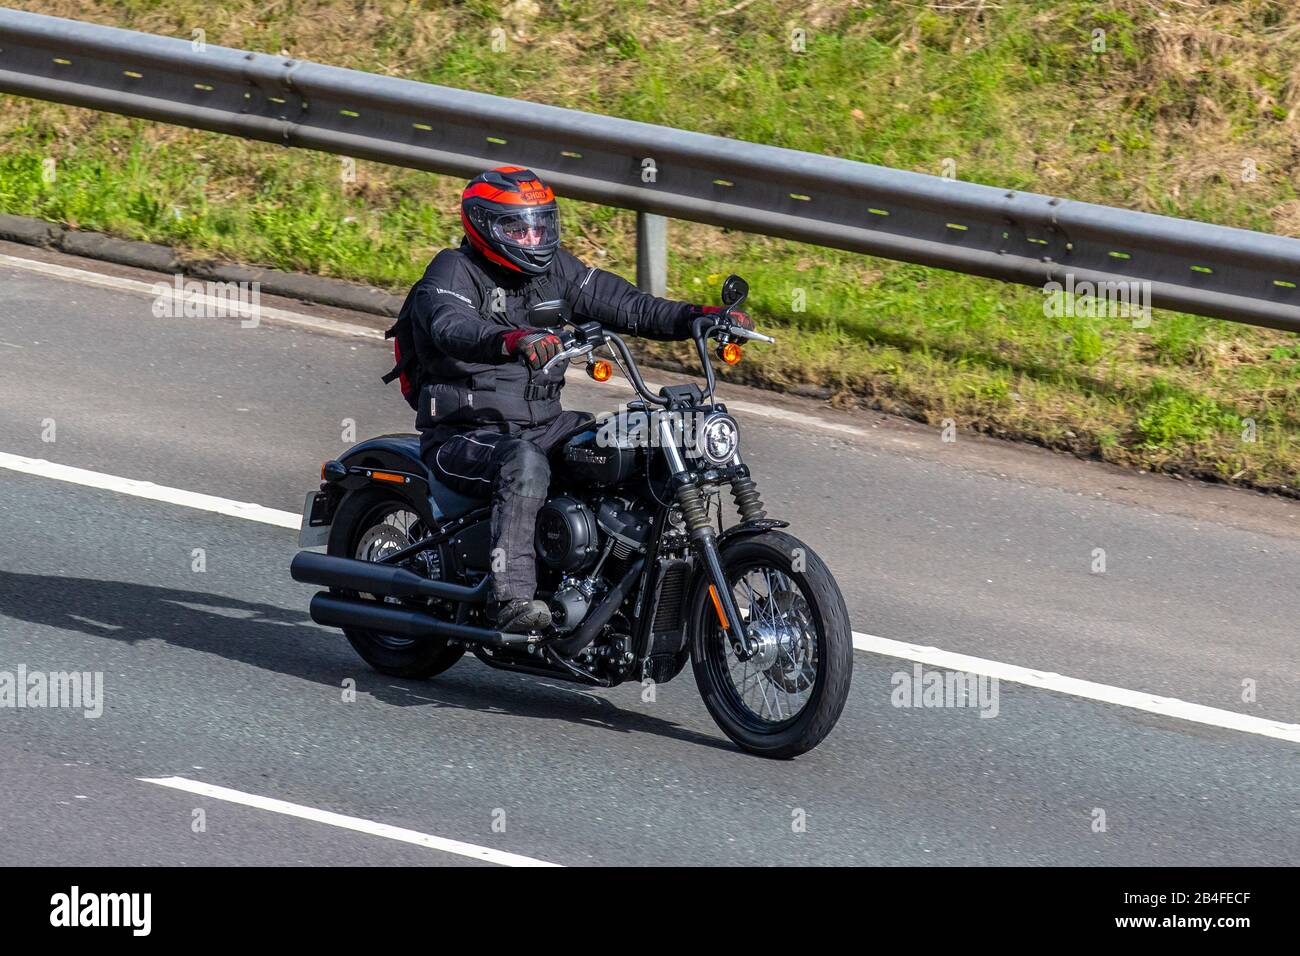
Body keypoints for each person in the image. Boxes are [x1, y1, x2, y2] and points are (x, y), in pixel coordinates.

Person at [406, 166, 749, 633]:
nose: (532, 237)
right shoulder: (453, 270)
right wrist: (511, 340)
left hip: (543, 424)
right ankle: (512, 602)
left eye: (539, 225)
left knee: (623, 441)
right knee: (523, 464)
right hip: (466, 435)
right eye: (517, 228)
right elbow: (450, 325)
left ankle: (610, 578)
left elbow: (628, 305)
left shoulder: (556, 270)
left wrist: (698, 317)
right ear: (483, 225)